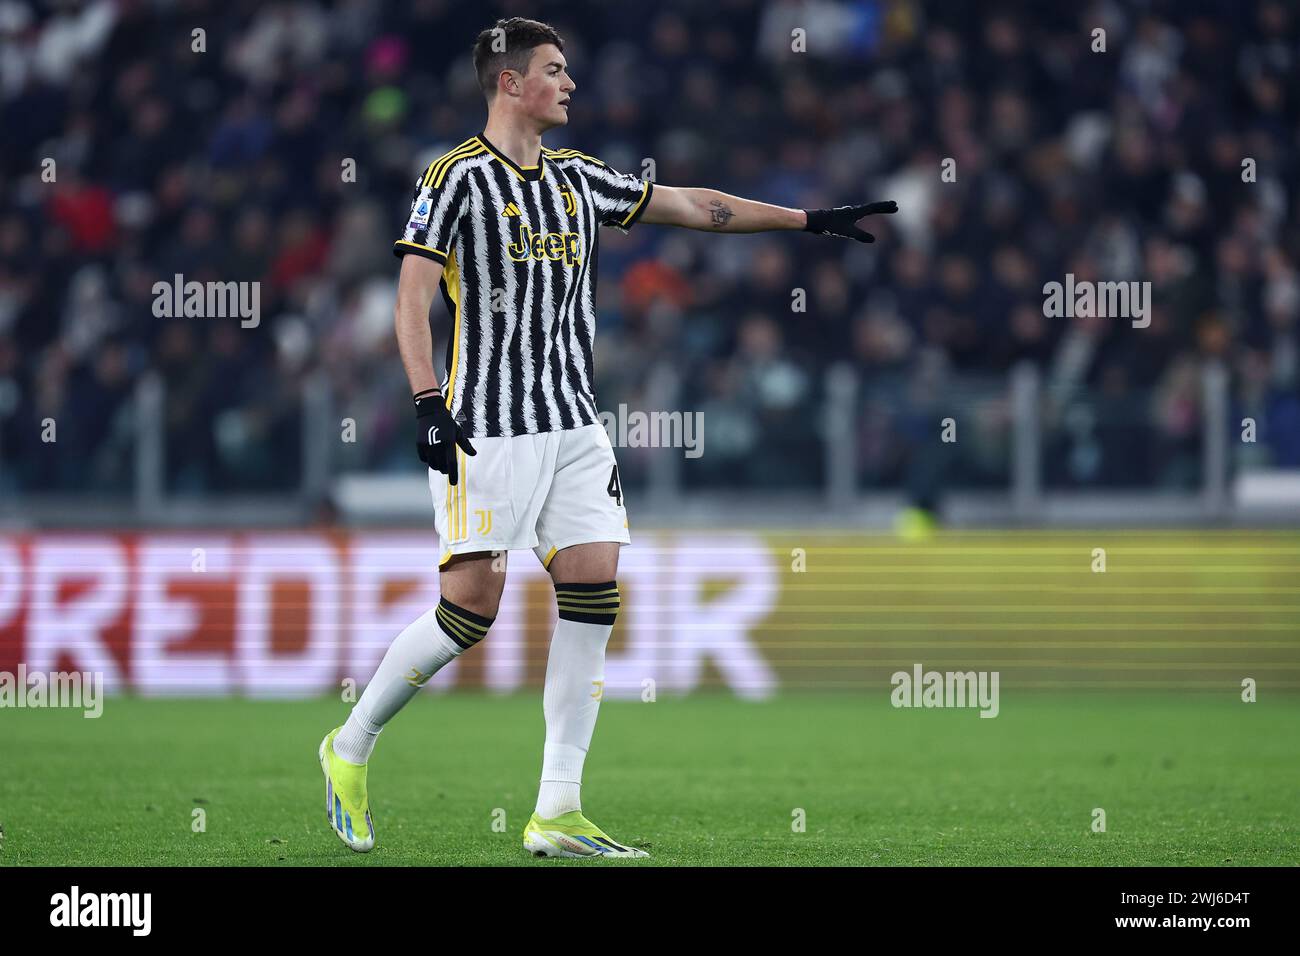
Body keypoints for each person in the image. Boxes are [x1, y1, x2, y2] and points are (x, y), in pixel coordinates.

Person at [319, 15, 896, 858]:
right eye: (554, 70)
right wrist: (423, 400)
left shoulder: (580, 178)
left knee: (593, 590)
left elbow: (696, 206)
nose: (570, 84)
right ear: (510, 83)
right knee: (469, 609)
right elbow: (413, 298)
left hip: (575, 424)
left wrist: (804, 221)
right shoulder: (454, 180)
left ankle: (556, 809)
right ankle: (350, 745)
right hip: (486, 425)